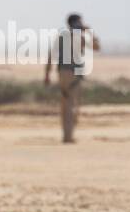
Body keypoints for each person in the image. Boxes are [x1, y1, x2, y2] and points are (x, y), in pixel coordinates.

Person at [43, 14, 100, 144]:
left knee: (67, 106)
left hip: (64, 73)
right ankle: (68, 136)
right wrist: (90, 33)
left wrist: (47, 74)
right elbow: (96, 47)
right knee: (71, 106)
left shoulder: (63, 37)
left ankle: (67, 135)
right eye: (79, 23)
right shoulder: (76, 37)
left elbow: (51, 56)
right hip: (72, 74)